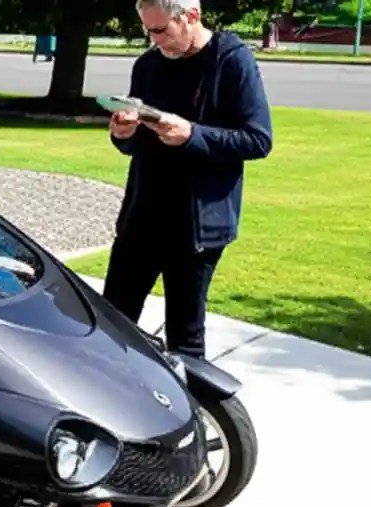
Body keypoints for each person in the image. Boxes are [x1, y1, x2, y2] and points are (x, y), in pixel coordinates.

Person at [104, 0, 272, 358]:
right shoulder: (148, 64)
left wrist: (192, 134)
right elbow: (136, 146)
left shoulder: (231, 60)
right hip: (143, 215)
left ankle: (192, 411)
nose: (154, 39)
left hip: (197, 225)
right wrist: (123, 133)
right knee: (112, 325)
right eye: (147, 30)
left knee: (186, 339)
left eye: (161, 30)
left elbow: (258, 139)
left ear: (191, 17)